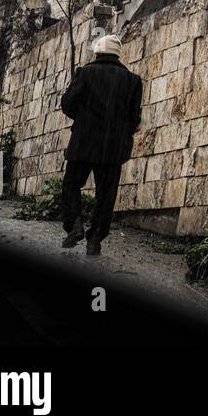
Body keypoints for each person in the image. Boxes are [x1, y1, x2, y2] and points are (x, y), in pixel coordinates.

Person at [59, 33, 143, 256]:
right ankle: (95, 239)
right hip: (114, 148)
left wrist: (83, 117)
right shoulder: (133, 81)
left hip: (83, 143)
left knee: (71, 185)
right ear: (117, 55)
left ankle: (75, 225)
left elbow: (68, 105)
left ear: (97, 52)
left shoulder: (85, 73)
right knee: (106, 194)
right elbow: (135, 118)